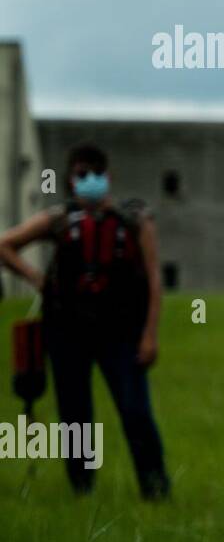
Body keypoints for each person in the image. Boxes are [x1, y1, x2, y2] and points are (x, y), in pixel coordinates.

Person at [0, 143, 169, 499]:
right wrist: (36, 279)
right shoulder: (59, 220)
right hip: (68, 333)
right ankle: (82, 489)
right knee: (76, 418)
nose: (89, 180)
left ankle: (155, 490)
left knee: (136, 411)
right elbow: (5, 244)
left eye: (96, 173)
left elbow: (155, 280)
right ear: (70, 181)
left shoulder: (135, 221)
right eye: (81, 174)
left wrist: (150, 335)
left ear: (108, 177)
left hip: (122, 333)